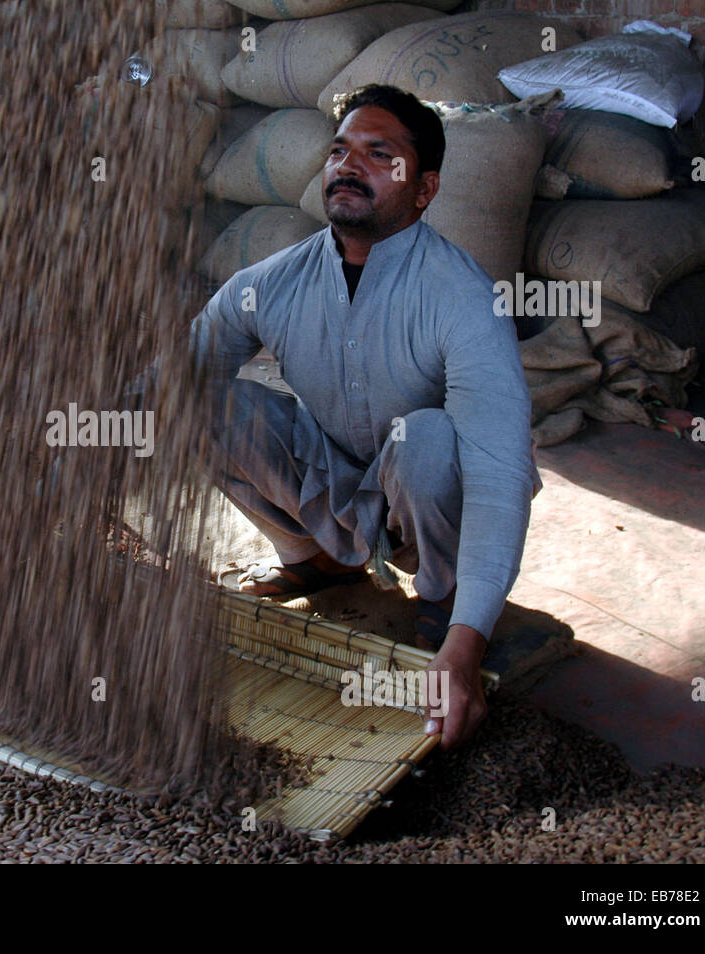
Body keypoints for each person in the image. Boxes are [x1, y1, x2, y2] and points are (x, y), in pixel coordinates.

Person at [191, 84, 541, 750]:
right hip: (335, 482)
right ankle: (315, 556)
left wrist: (469, 643)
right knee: (199, 399)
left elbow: (499, 473)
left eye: (380, 154)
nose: (349, 166)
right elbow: (172, 378)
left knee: (428, 437)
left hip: (430, 501)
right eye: (339, 150)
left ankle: (446, 595)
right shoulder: (271, 282)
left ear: (425, 187)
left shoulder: (462, 297)